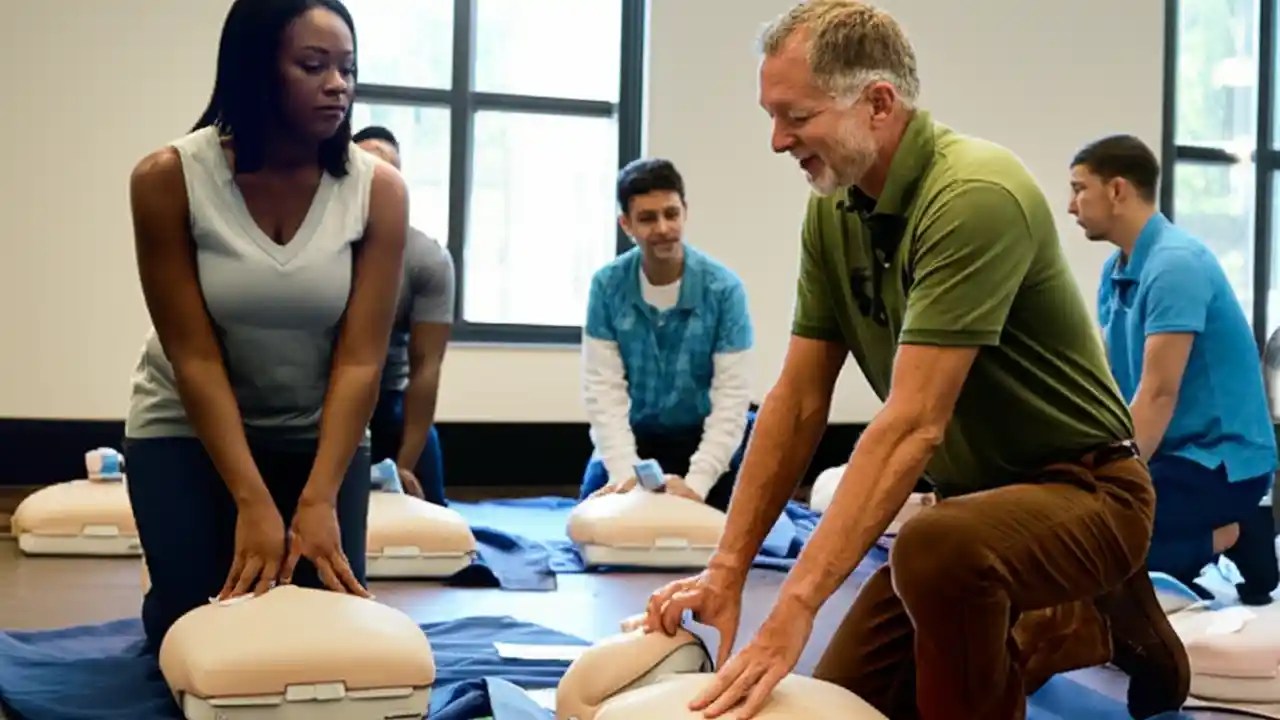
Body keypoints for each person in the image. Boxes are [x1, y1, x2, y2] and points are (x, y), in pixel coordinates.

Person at [641, 2, 1189, 719]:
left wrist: (797, 606)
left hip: (1090, 495)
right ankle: (1063, 615)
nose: (777, 141)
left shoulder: (974, 194)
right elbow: (799, 400)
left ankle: (1081, 611)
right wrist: (726, 569)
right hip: (973, 512)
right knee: (842, 701)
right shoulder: (832, 213)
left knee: (931, 550)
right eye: (771, 116)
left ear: (877, 103)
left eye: (795, 116)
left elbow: (912, 424)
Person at [122, 0, 408, 650]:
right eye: (313, 66)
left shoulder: (379, 191)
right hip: (185, 430)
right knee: (200, 628)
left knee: (324, 636)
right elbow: (193, 357)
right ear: (256, 71)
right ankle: (166, 596)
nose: (338, 84)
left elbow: (362, 359)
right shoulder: (167, 180)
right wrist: (252, 501)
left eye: (347, 68)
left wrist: (317, 499)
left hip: (320, 437)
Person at [1070, 134, 1279, 605]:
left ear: (1118, 190)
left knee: (1109, 536)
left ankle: (1235, 534)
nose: (1071, 205)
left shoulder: (1175, 266)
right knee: (1083, 522)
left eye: (1080, 188)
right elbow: (1115, 381)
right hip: (1171, 452)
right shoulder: (1115, 271)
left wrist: (1114, 481)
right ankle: (1225, 535)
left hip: (1224, 461)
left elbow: (1159, 393)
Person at [579, 158, 755, 512]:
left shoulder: (724, 290)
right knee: (595, 515)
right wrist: (624, 477)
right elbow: (603, 392)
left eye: (671, 214)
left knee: (736, 527)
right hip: (637, 437)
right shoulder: (607, 287)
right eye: (647, 218)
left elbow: (732, 398)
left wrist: (697, 484)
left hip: (706, 435)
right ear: (626, 224)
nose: (663, 228)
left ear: (685, 212)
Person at [353, 124, 455, 506]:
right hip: (313, 402)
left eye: (388, 175)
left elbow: (426, 367)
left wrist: (404, 466)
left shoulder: (426, 259)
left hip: (386, 399)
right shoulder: (317, 247)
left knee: (428, 503)